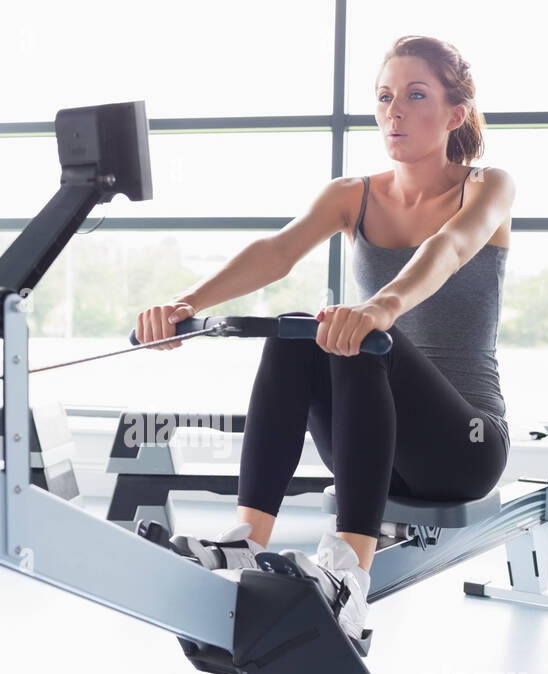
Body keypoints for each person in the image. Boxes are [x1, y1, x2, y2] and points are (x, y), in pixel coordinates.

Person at [134, 35, 515, 643]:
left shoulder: (486, 187)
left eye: (416, 96)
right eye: (385, 97)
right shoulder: (353, 195)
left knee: (357, 334)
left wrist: (380, 306)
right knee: (298, 331)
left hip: (464, 447)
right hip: (373, 451)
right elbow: (277, 251)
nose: (395, 111)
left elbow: (450, 248)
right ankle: (244, 541)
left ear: (454, 114)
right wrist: (187, 304)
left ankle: (349, 578)